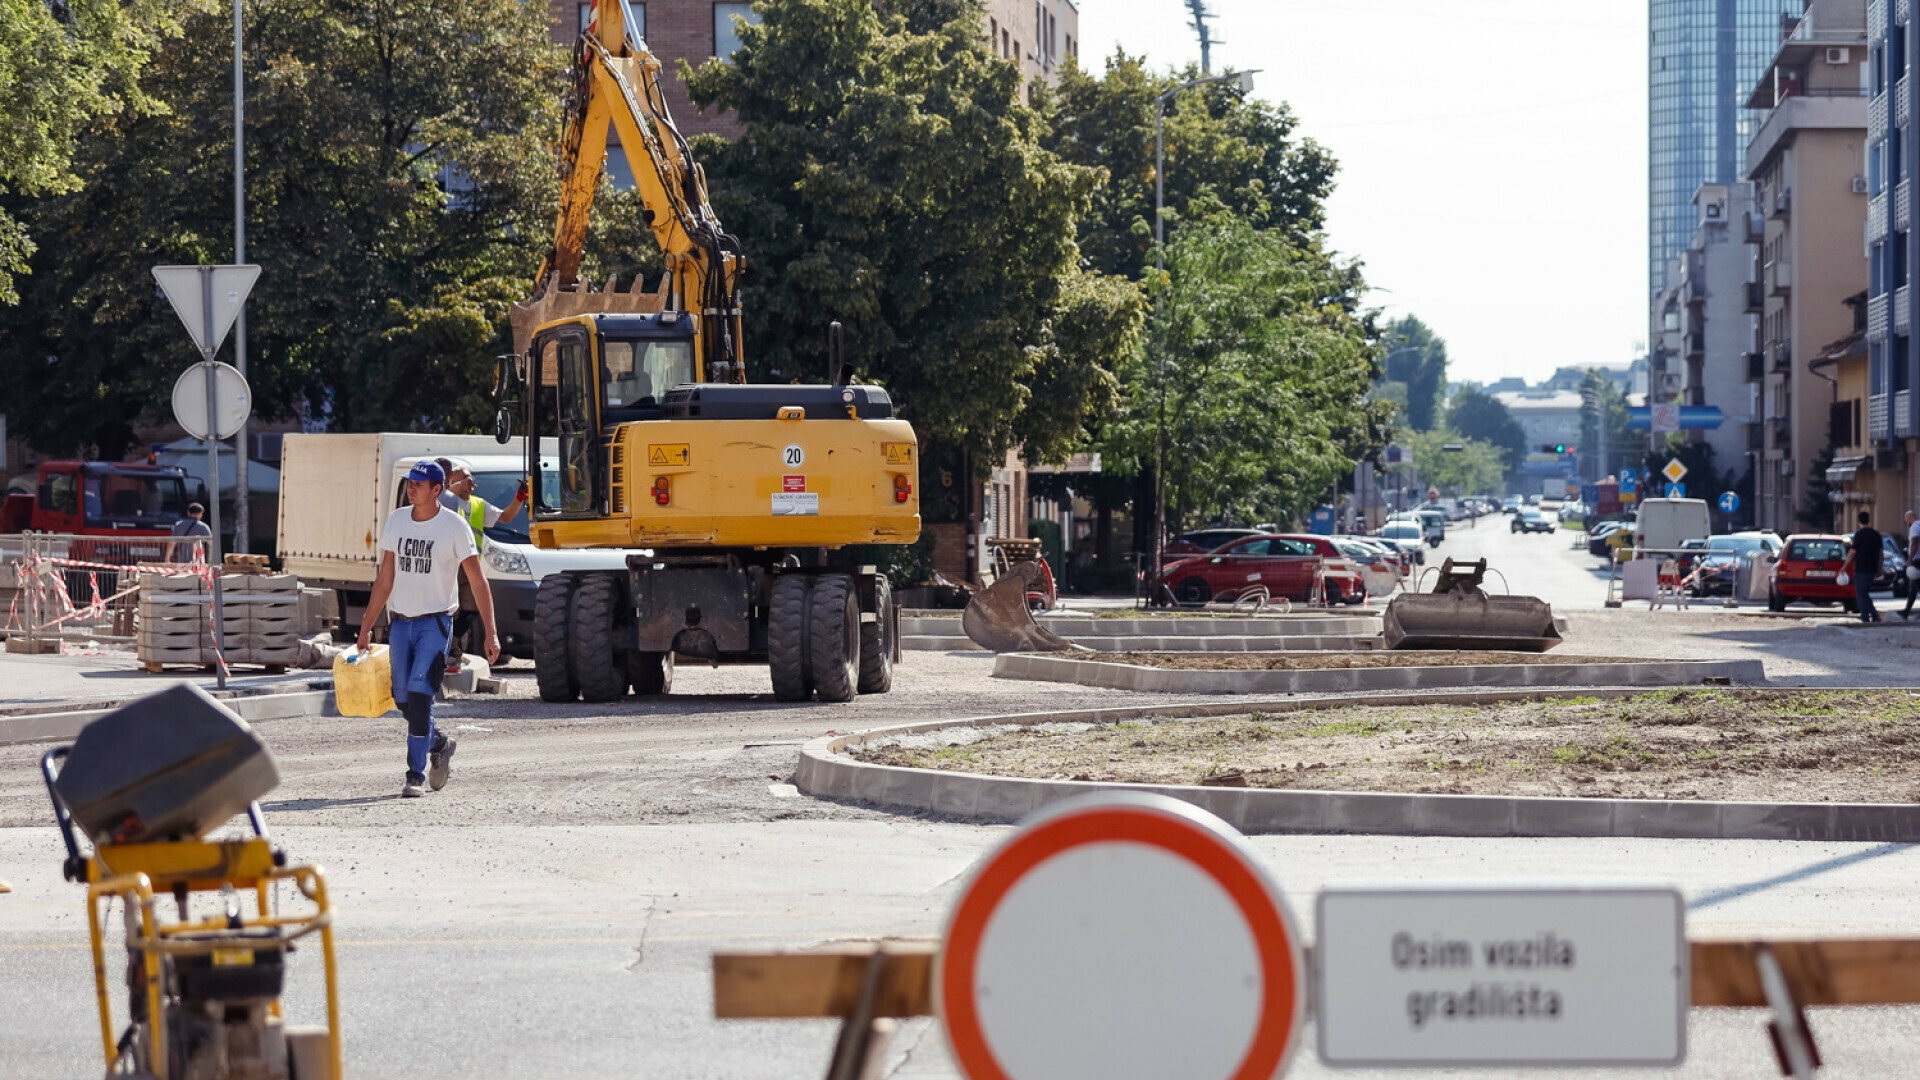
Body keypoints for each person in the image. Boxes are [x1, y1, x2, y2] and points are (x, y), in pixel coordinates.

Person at [357, 461, 500, 798]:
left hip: (435, 624)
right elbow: (385, 579)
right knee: (403, 699)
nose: (413, 487)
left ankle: (414, 776)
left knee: (421, 696)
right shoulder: (397, 520)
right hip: (400, 624)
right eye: (411, 482)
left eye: (420, 483)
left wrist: (491, 632)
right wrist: (366, 628)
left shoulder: (454, 527)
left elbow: (478, 583)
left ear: (438, 490)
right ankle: (440, 743)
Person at [1846, 510, 1884, 625]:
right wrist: (1880, 567)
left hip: (1861, 568)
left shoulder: (1859, 535)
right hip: (1872, 568)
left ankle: (1866, 617)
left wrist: (1844, 566)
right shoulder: (1876, 534)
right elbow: (1880, 553)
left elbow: (1852, 552)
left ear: (1859, 522)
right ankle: (1874, 615)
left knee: (1861, 594)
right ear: (1868, 520)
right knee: (1865, 592)